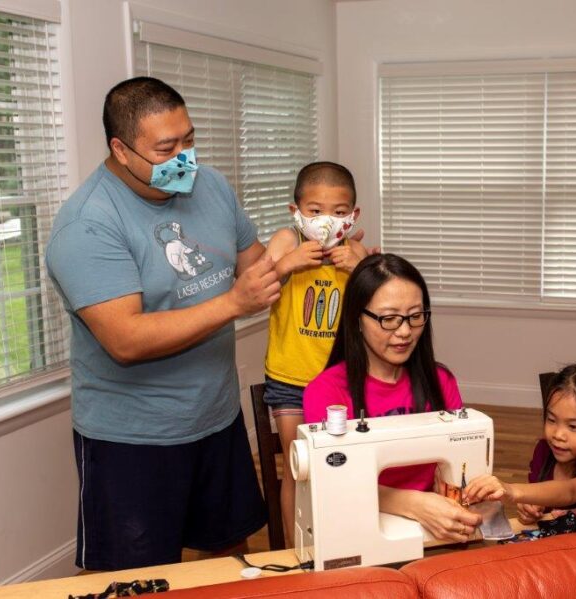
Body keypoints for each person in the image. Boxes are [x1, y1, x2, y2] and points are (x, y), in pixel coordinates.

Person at [45, 77, 281, 571]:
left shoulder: (211, 186)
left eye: (189, 140)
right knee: (141, 579)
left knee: (230, 560)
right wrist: (235, 303)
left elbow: (255, 266)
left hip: (215, 416)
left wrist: (312, 244)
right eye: (167, 148)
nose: (185, 158)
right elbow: (125, 339)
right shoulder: (88, 224)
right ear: (121, 149)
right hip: (132, 439)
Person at [303, 253, 482, 542]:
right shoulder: (326, 393)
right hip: (357, 528)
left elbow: (456, 466)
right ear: (357, 319)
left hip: (434, 526)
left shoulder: (440, 381)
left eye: (415, 316)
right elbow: (335, 482)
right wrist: (414, 504)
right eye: (389, 319)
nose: (405, 332)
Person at [263, 161, 367, 546]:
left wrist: (361, 268)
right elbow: (256, 286)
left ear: (353, 216)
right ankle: (295, 553)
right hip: (291, 379)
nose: (327, 220)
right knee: (298, 468)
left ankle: (344, 543)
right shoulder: (286, 241)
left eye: (339, 213)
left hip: (343, 379)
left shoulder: (353, 249)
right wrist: (288, 264)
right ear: (296, 212)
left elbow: (383, 298)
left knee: (345, 466)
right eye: (315, 211)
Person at [464, 364, 576, 523]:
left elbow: (571, 491)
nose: (557, 434)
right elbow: (541, 497)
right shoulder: (543, 450)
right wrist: (529, 507)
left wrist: (513, 490)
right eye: (551, 420)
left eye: (573, 427)